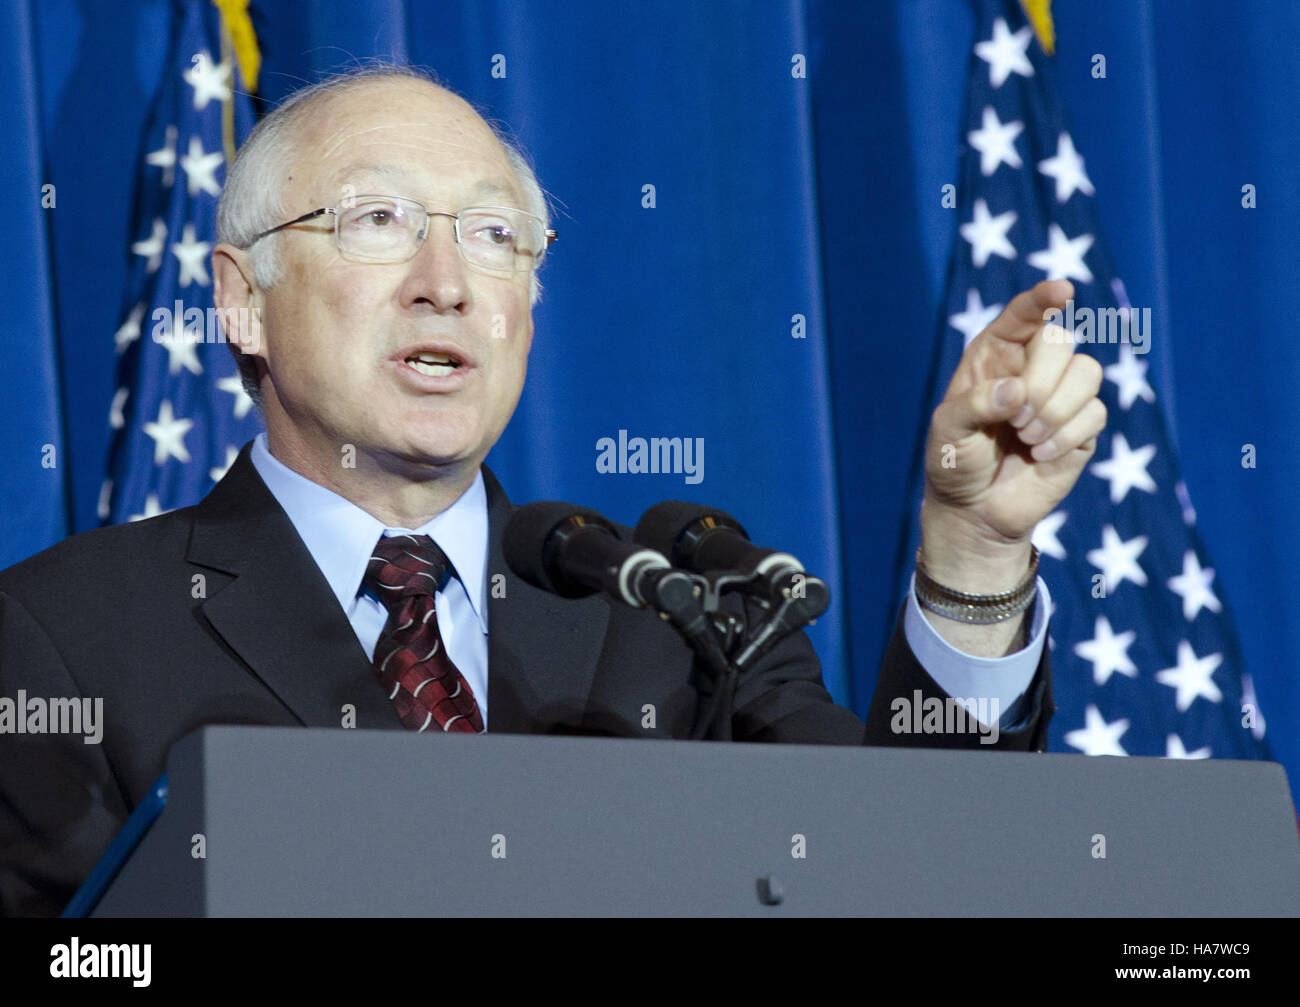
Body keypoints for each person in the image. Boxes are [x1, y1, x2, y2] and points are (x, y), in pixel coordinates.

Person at [0, 65, 1105, 916]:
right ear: (242, 301)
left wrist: (970, 549)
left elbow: (917, 875)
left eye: (492, 238)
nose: (444, 284)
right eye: (377, 221)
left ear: (527, 306)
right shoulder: (63, 634)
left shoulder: (678, 612)